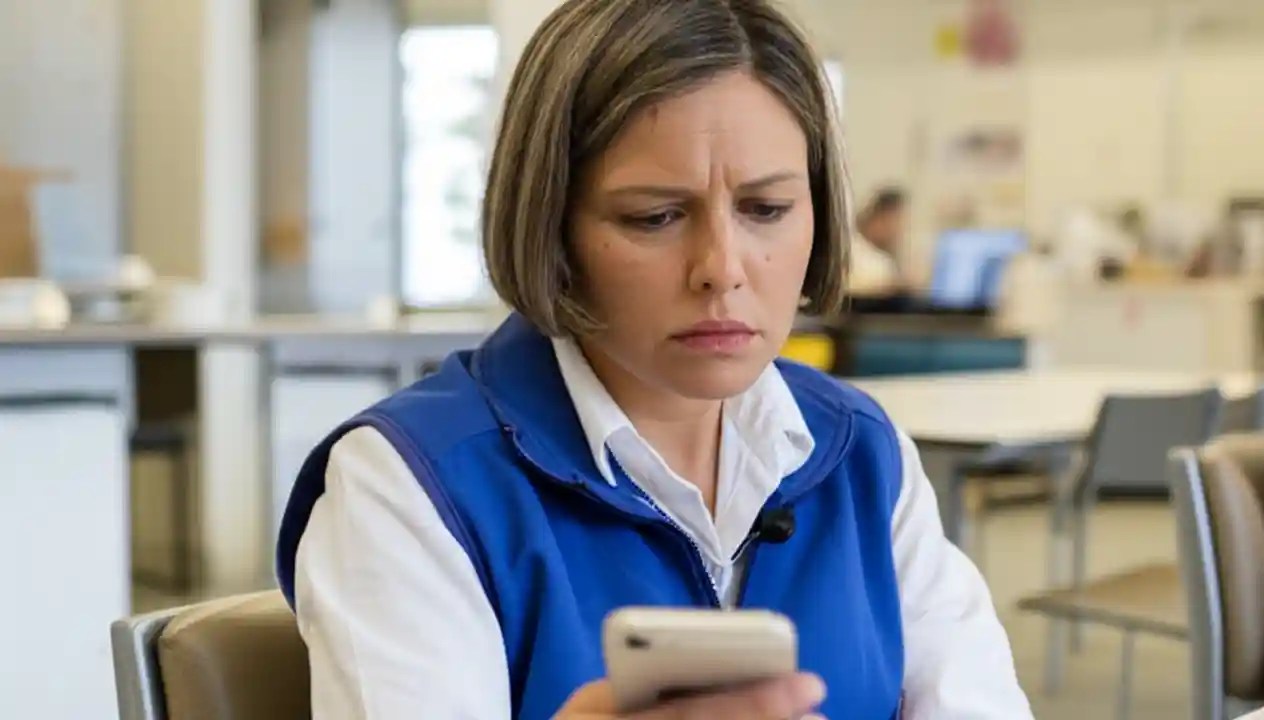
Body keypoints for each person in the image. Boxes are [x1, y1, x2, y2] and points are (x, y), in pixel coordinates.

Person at [275, 1, 1032, 718]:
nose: (722, 267)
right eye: (655, 217)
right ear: (552, 226)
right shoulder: (408, 483)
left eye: (766, 210)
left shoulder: (864, 455)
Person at [848, 188, 909, 298]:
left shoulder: (886, 258)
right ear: (878, 218)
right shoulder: (853, 249)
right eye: (894, 221)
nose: (897, 230)